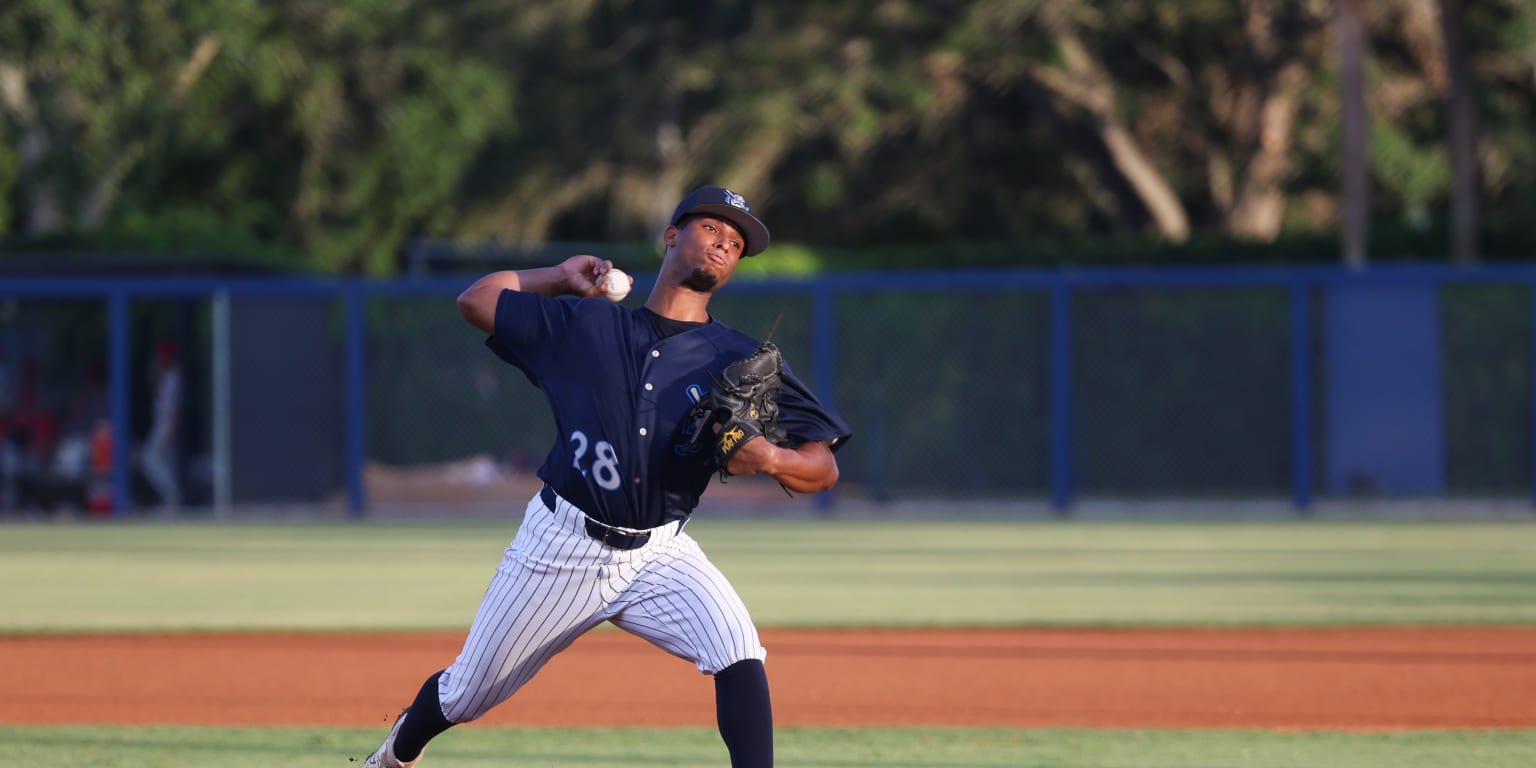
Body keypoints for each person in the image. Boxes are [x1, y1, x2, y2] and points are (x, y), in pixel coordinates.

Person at [363, 186, 851, 768]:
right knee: (467, 692)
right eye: (712, 228)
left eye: (737, 242)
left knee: (739, 650)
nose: (725, 242)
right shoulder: (587, 324)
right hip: (560, 546)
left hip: (661, 552)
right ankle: (393, 755)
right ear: (672, 235)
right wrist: (560, 277)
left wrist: (770, 458)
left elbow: (823, 466)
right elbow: (476, 300)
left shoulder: (742, 360)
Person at [138, 341, 181, 511]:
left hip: (166, 425)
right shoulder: (165, 376)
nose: (159, 360)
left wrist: (170, 428)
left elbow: (176, 407)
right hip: (161, 423)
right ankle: (171, 500)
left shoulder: (175, 376)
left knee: (150, 460)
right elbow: (152, 382)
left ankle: (173, 495)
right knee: (164, 463)